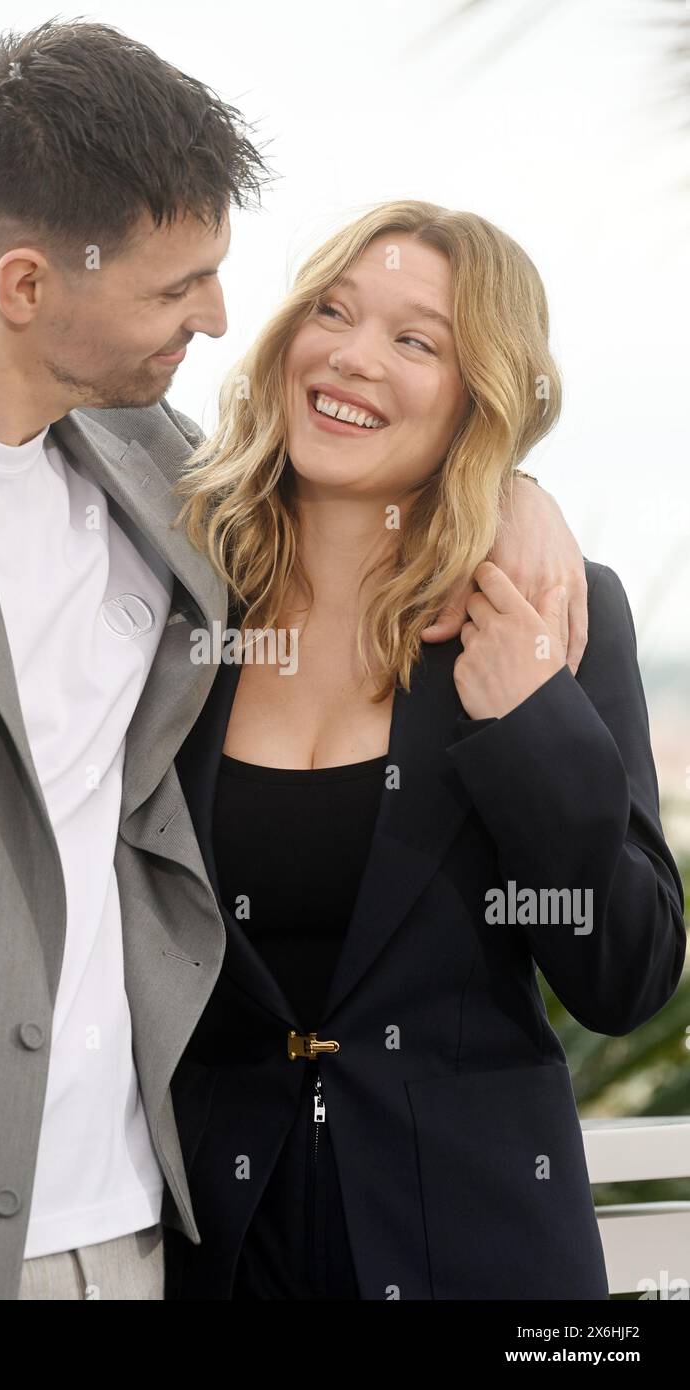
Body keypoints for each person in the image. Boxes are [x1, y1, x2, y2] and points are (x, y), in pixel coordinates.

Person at [0, 23, 591, 1302]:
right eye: (178, 289)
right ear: (26, 286)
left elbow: (366, 464)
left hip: (148, 1230)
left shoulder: (151, 470)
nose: (220, 319)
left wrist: (516, 495)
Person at [158, 199, 688, 1300]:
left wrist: (531, 722)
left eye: (415, 340)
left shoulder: (551, 611)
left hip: (479, 1253)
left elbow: (627, 975)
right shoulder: (179, 602)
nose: (353, 356)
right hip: (217, 1251)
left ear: (475, 397)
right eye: (332, 311)